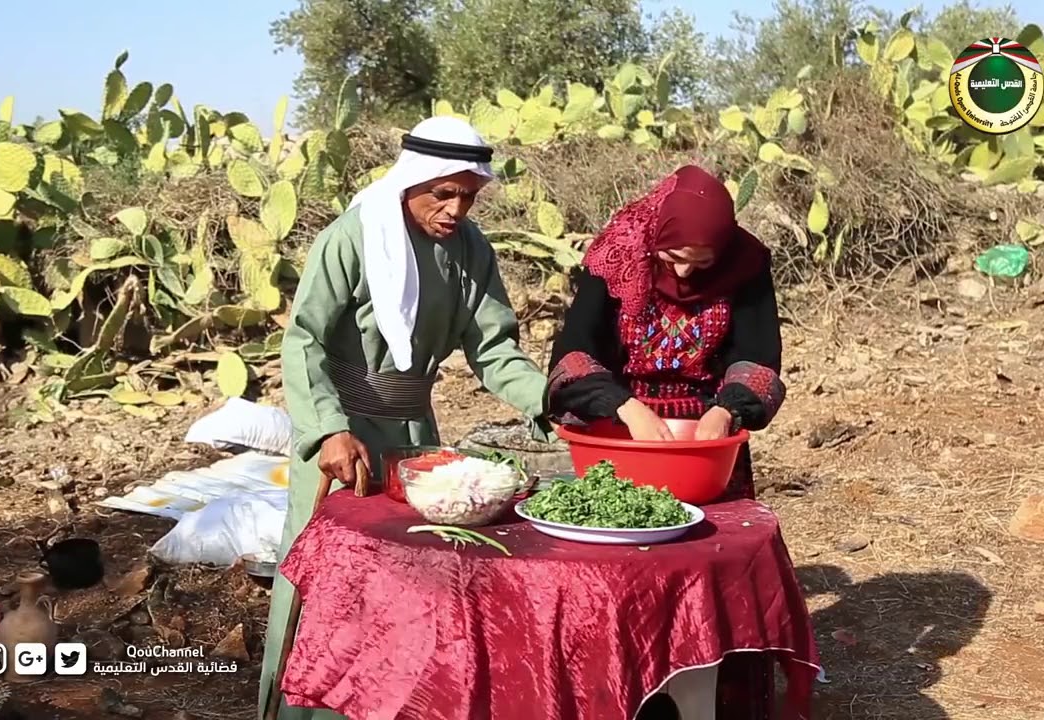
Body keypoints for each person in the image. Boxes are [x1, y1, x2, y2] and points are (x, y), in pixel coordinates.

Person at [258, 116, 553, 720]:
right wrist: (328, 430)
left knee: (412, 584)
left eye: (468, 197)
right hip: (342, 442)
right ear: (409, 182)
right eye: (442, 193)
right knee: (330, 589)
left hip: (418, 443)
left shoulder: (470, 249)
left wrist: (553, 403)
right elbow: (304, 339)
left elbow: (493, 349)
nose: (455, 209)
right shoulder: (353, 237)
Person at [544, 164, 787, 719]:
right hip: (622, 434)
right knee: (630, 575)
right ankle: (627, 696)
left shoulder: (747, 264)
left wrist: (728, 410)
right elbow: (574, 352)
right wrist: (624, 406)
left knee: (700, 574)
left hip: (704, 442)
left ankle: (705, 698)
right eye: (673, 258)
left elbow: (758, 355)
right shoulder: (616, 255)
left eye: (702, 264)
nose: (685, 272)